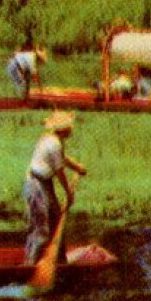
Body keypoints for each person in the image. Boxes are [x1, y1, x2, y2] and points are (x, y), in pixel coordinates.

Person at [23, 111, 87, 264]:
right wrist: (69, 193)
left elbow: (62, 159)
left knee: (56, 221)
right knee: (41, 227)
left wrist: (77, 167)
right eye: (69, 127)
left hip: (45, 183)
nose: (71, 129)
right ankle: (31, 264)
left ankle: (59, 261)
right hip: (36, 184)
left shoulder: (54, 140)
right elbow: (59, 172)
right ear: (63, 129)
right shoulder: (53, 143)